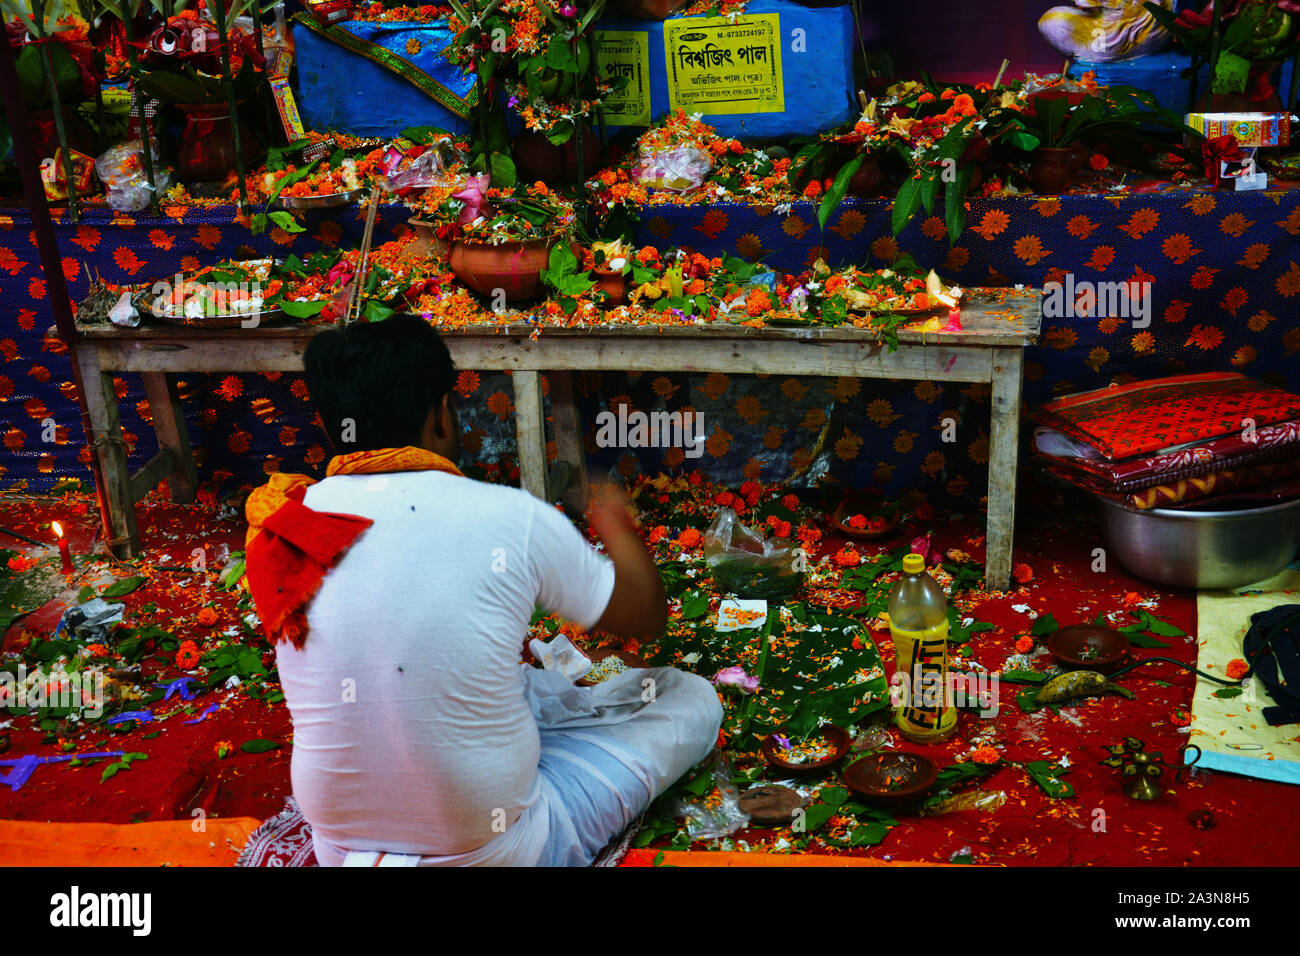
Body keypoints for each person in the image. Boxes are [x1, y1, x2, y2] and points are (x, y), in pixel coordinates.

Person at [244, 314, 722, 866]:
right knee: (691, 699)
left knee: (507, 685)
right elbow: (644, 615)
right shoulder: (508, 516)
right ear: (442, 416)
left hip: (340, 848)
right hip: (498, 850)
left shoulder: (283, 524)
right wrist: (614, 521)